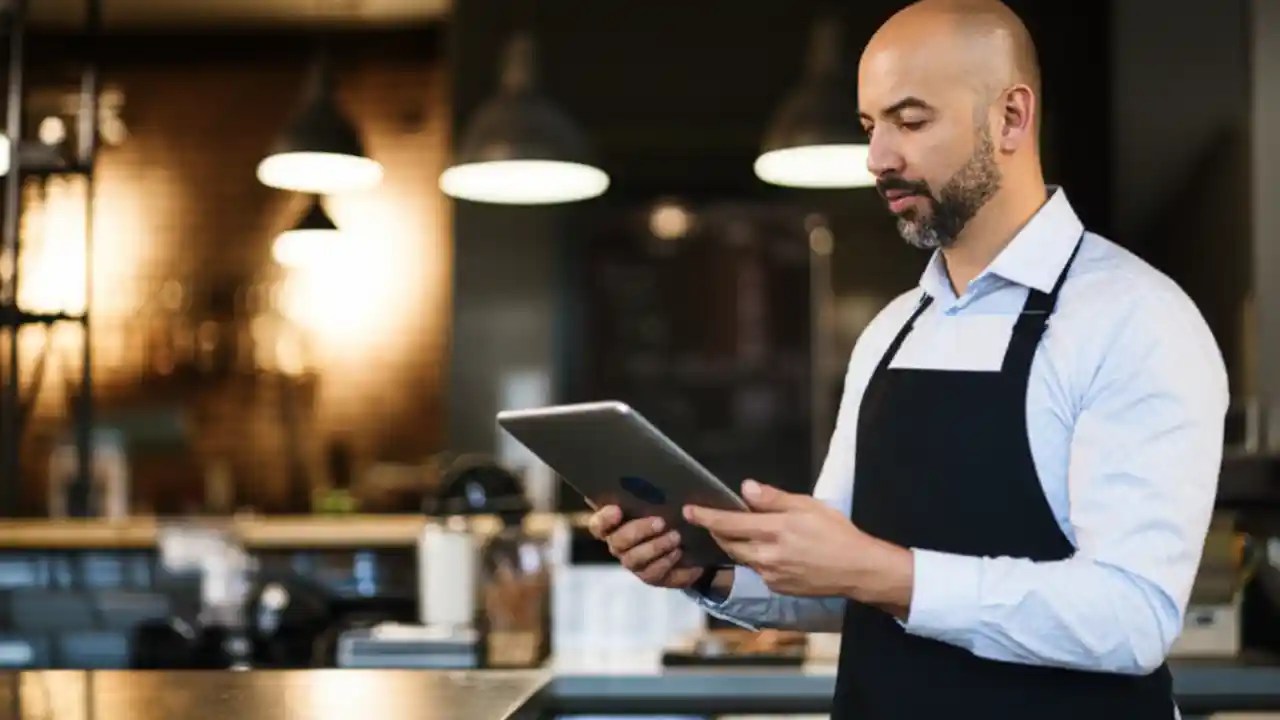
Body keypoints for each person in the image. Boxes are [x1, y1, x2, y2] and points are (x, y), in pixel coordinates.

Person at [586, 0, 1229, 717]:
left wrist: (880, 571)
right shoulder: (893, 331)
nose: (878, 159)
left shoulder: (1134, 318)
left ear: (1011, 117)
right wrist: (707, 572)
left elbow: (1131, 617)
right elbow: (845, 582)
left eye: (911, 121)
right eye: (870, 127)